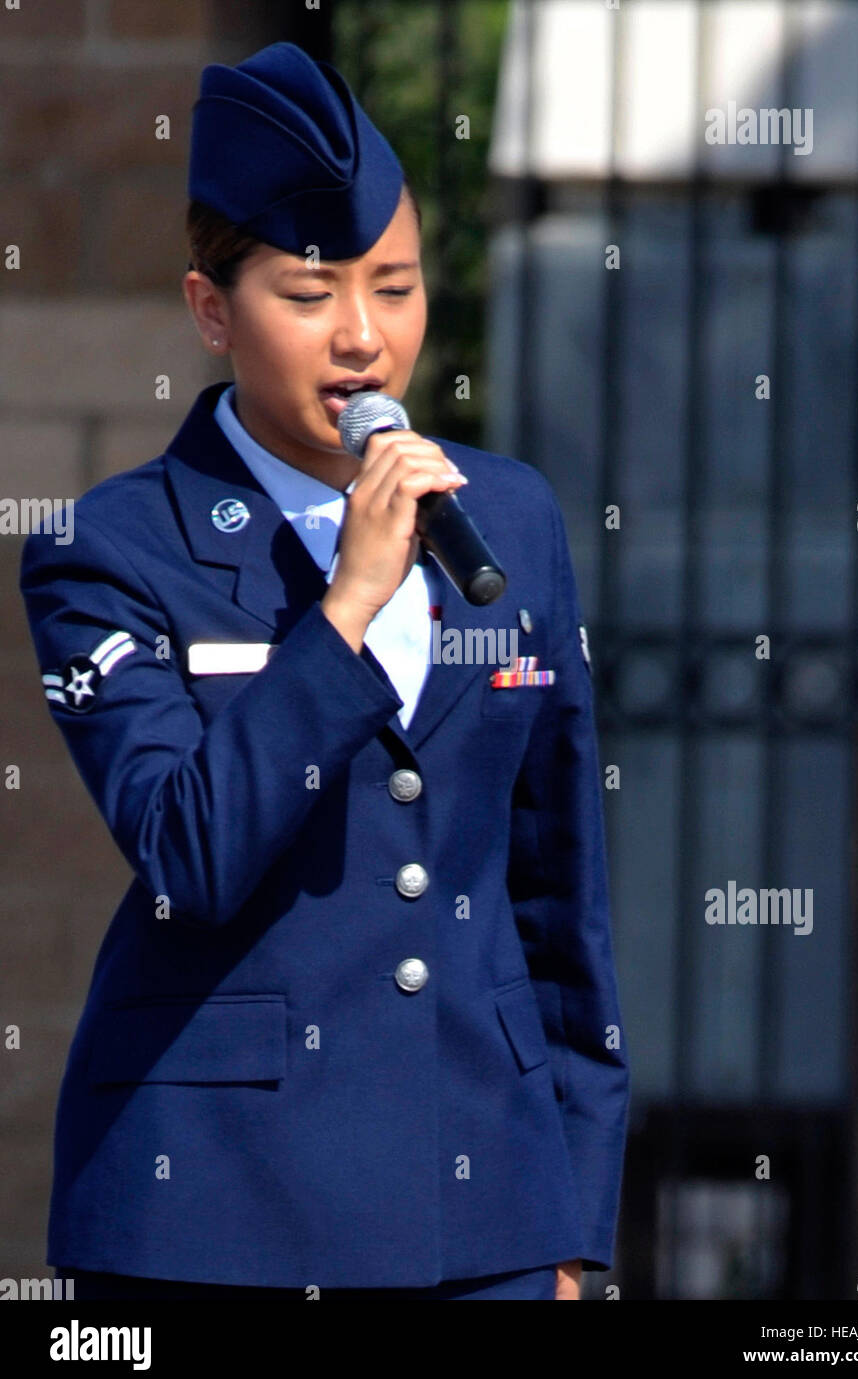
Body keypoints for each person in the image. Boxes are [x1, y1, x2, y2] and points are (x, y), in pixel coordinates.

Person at [19, 42, 630, 1302]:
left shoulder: (505, 519)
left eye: (395, 288)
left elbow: (558, 890)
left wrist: (571, 1219)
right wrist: (346, 603)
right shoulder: (111, 550)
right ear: (210, 309)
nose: (363, 338)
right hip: (216, 1219)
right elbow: (188, 853)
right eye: (309, 295)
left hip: (489, 1217)